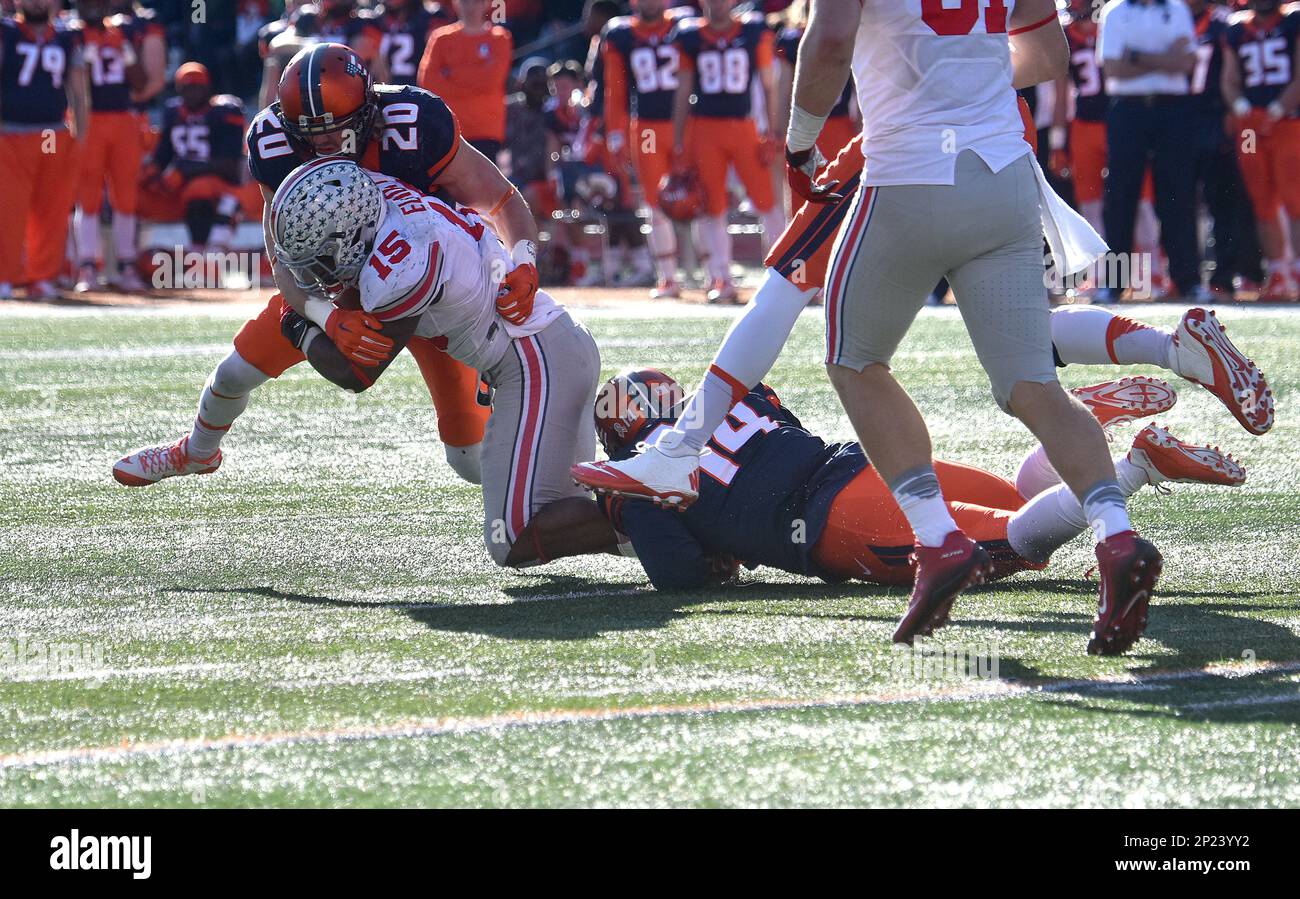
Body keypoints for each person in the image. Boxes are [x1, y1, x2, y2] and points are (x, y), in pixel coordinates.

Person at [113, 43, 539, 489]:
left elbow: (500, 196)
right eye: (309, 133)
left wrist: (523, 260)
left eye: (337, 129)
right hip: (338, 285)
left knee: (470, 461)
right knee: (233, 372)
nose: (323, 143)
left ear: (369, 109)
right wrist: (325, 316)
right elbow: (279, 255)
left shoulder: (414, 122)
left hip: (437, 288)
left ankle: (563, 471)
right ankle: (196, 453)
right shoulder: (274, 140)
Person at [593, 371, 1243, 614]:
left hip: (832, 519)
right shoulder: (734, 395)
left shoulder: (639, 479)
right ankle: (1077, 418)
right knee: (1024, 501)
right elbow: (777, 430)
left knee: (1021, 546)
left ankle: (1136, 467)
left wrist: (715, 552)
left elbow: (676, 574)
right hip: (868, 461)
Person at [273, 160, 618, 567]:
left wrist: (299, 327)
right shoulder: (377, 193)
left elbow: (357, 372)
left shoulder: (400, 268)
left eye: (322, 258)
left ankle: (670, 517)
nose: (317, 272)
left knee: (513, 536)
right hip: (548, 346)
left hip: (534, 357)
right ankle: (674, 524)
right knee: (558, 509)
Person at [671, 0, 785, 303]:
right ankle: (720, 277)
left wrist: (772, 131)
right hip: (705, 128)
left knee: (767, 201)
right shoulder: (689, 35)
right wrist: (679, 139)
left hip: (744, 126)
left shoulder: (752, 30)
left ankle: (782, 273)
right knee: (712, 204)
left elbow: (768, 84)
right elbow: (683, 89)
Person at [1096, 0, 1205, 300]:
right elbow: (1113, 68)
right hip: (1128, 110)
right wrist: (1164, 58)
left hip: (1173, 109)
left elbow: (1187, 62)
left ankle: (1188, 281)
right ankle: (1114, 284)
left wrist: (1135, 56)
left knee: (1178, 193)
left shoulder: (1177, 8)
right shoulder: (1115, 11)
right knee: (1120, 196)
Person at [0, 0, 87, 301]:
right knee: (9, 208)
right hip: (10, 131)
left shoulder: (66, 35)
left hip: (52, 132)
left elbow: (78, 87)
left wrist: (82, 132)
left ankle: (41, 277)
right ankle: (5, 276)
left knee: (51, 207)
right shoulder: (6, 32)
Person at [602, 0, 690, 298]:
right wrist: (616, 134)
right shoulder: (620, 33)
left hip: (687, 123)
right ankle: (668, 277)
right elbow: (615, 88)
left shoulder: (685, 25)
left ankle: (716, 275)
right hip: (647, 126)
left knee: (703, 198)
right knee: (654, 203)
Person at [1221, 0, 1300, 301]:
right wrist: (1241, 106)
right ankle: (1278, 270)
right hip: (1252, 126)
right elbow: (1229, 79)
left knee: (1295, 196)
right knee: (1261, 196)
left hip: (1288, 122)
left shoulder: (1293, 20)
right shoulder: (1238, 27)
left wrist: (1280, 108)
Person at [136, 63, 246, 251]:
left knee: (198, 188)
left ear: (208, 88)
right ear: (179, 89)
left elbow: (231, 165)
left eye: (197, 87)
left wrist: (186, 170)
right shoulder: (173, 112)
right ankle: (129, 257)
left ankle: (199, 248)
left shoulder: (224, 111)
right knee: (134, 192)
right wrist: (152, 173)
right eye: (188, 88)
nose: (193, 92)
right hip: (181, 186)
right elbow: (163, 154)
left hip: (220, 186)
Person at [418, 0, 513, 163]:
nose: (470, 7)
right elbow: (428, 83)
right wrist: (477, 75)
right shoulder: (441, 38)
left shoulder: (500, 38)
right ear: (456, 4)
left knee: (482, 186)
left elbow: (492, 80)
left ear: (485, 4)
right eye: (465, 2)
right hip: (449, 129)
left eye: (475, 2)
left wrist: (451, 75)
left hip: (485, 130)